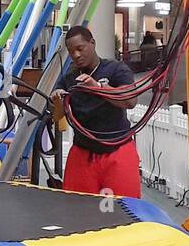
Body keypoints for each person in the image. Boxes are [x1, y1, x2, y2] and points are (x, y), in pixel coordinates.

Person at [55, 24, 141, 197]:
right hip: (83, 152)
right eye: (71, 52)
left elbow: (130, 101)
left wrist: (98, 87)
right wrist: (57, 102)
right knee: (78, 210)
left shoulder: (116, 69)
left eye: (80, 48)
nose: (76, 55)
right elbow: (57, 116)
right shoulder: (69, 78)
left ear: (92, 43)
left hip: (117, 149)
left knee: (121, 209)